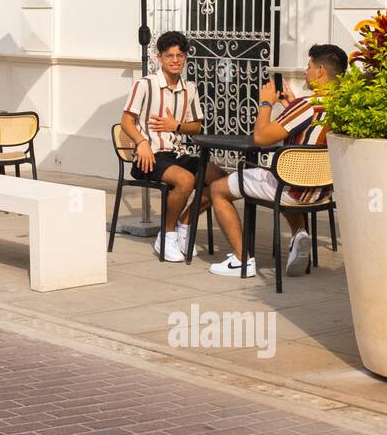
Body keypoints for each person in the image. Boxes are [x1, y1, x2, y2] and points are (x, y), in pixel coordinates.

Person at [207, 43, 349, 278]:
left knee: (217, 189)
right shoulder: (345, 106)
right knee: (283, 177)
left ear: (321, 70)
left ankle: (242, 260)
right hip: (322, 191)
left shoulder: (307, 106)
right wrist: (291, 106)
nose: (306, 71)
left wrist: (265, 103)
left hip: (293, 189)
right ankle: (299, 235)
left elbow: (261, 138)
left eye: (309, 66)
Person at [119, 31, 226, 262]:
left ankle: (184, 224)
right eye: (169, 55)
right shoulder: (145, 85)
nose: (175, 60)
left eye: (180, 55)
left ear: (185, 57)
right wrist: (142, 143)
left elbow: (196, 126)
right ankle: (166, 235)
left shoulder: (190, 89)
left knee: (221, 181)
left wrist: (176, 125)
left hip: (178, 153)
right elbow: (126, 121)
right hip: (149, 157)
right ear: (159, 57)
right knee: (186, 181)